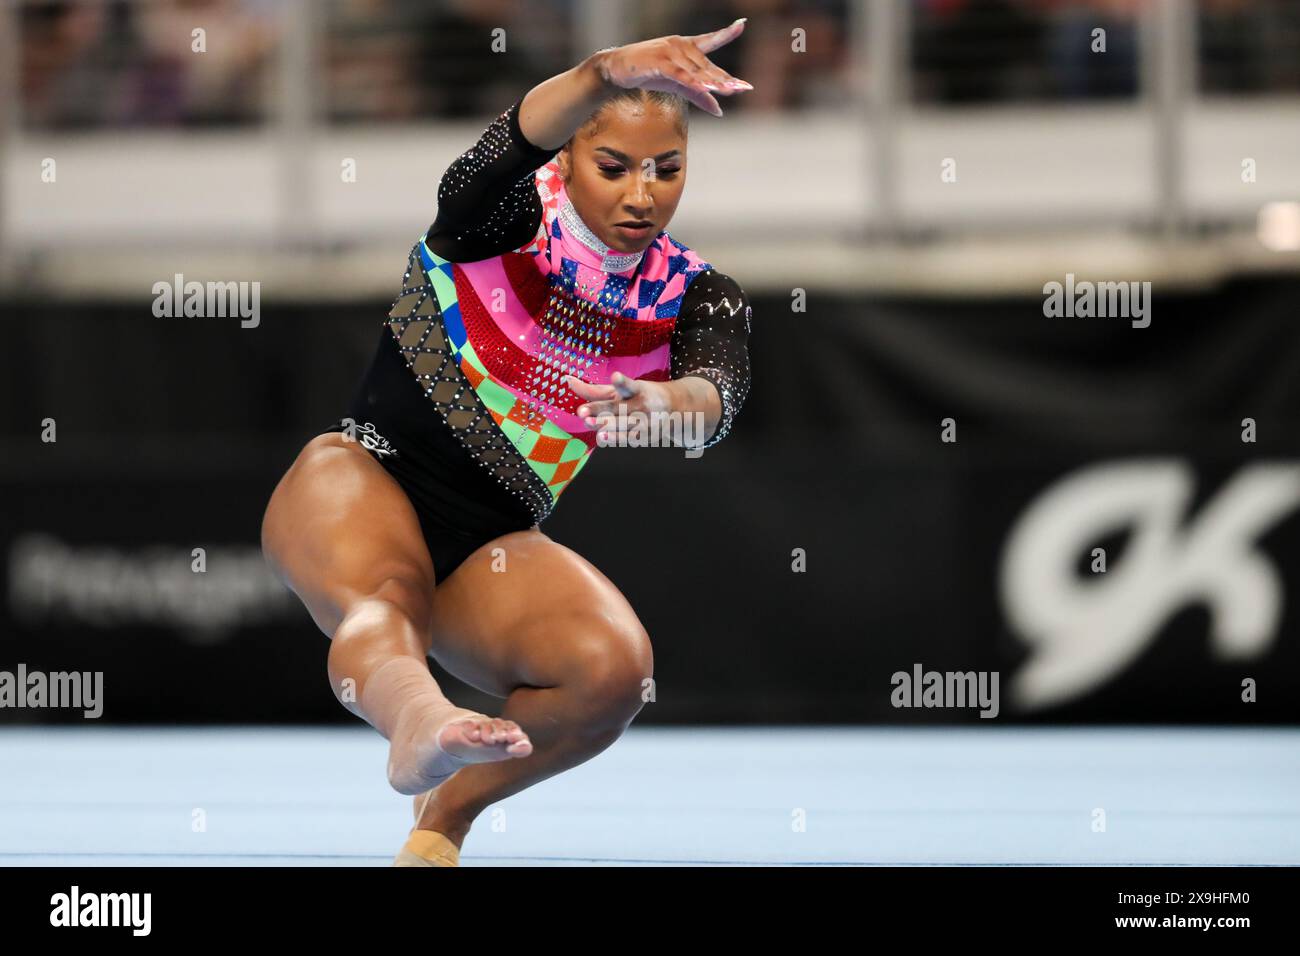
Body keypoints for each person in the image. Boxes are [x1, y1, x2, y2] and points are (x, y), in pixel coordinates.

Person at [261, 19, 754, 867]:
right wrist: (601, 72)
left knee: (611, 671)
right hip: (358, 478)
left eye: (667, 170)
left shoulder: (695, 291)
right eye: (616, 166)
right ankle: (418, 721)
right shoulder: (507, 215)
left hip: (487, 546)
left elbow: (721, 394)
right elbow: (495, 151)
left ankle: (442, 817)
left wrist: (667, 401)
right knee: (387, 590)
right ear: (567, 158)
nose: (644, 193)